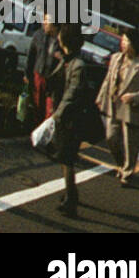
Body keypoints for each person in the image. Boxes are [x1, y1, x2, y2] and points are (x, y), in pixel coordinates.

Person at [94, 28, 139, 186]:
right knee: (110, 137)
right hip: (113, 104)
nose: (123, 43)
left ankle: (127, 172)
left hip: (130, 108)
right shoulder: (115, 58)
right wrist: (100, 97)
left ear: (133, 45)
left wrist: (134, 97)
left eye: (126, 40)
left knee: (129, 143)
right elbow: (108, 79)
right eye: (122, 40)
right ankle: (121, 163)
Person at [48, 24, 95, 218]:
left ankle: (71, 201)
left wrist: (57, 115)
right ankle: (71, 194)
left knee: (67, 158)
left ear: (65, 39)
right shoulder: (68, 61)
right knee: (64, 158)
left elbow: (72, 94)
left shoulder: (78, 65)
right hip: (64, 117)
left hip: (72, 120)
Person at [24, 13, 60, 122]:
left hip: (53, 81)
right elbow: (31, 56)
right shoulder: (38, 35)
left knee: (49, 109)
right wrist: (27, 74)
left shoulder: (60, 40)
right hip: (38, 76)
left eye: (47, 21)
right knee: (37, 106)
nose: (44, 23)